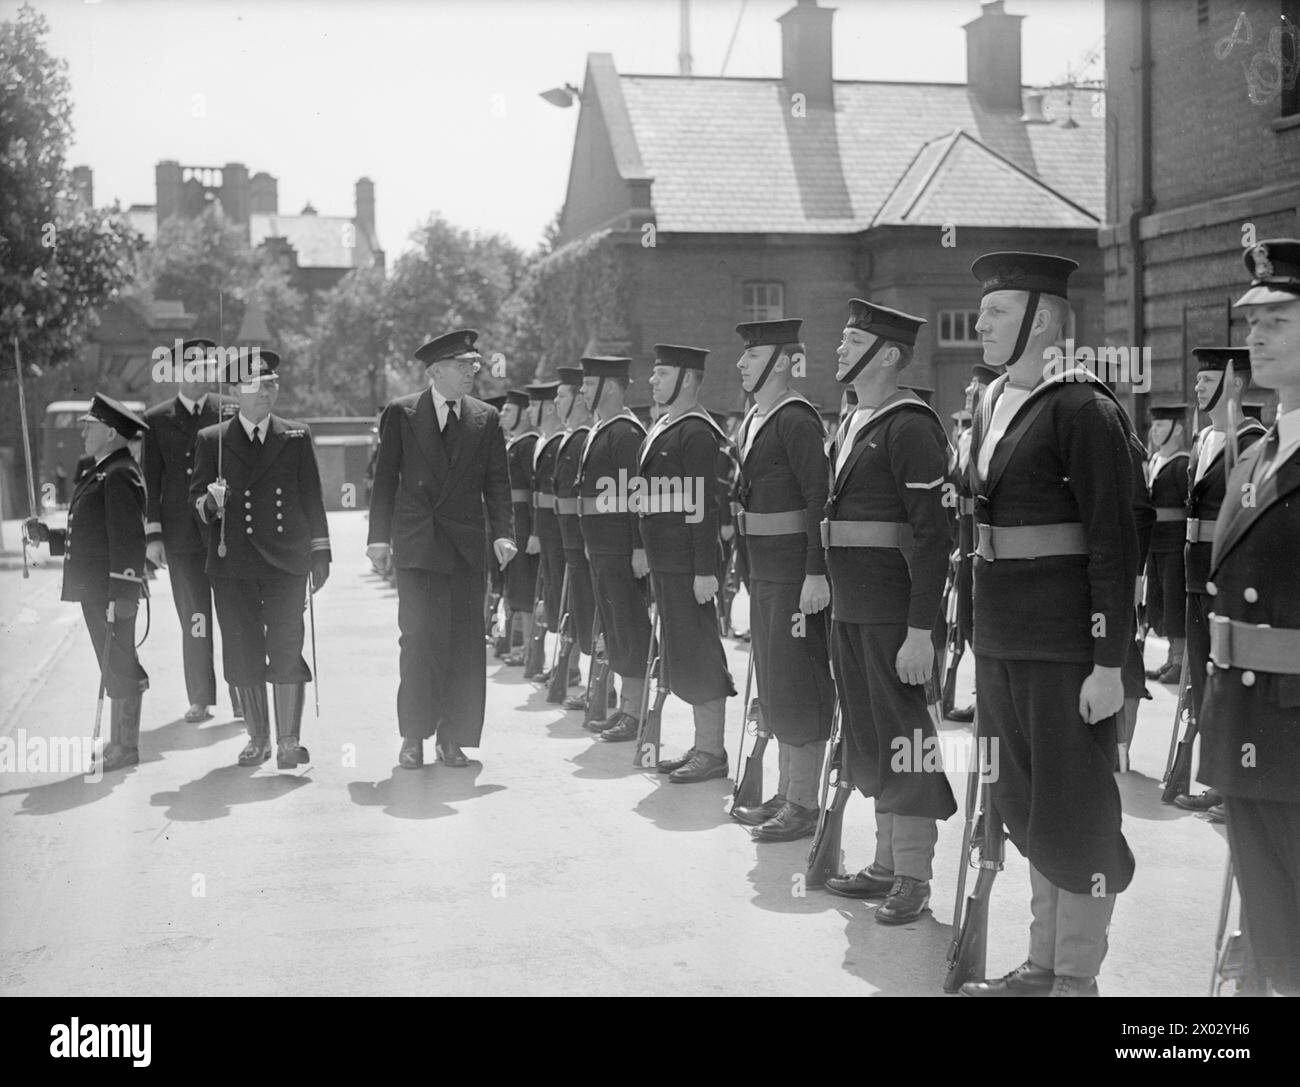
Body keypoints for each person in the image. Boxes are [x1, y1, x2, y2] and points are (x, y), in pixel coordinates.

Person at [957, 252, 1139, 998]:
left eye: (999, 310)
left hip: (1066, 647)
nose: (981, 322)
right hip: (1001, 639)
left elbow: (1114, 541)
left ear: (1043, 321)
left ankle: (1076, 973)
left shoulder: (1083, 408)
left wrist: (1109, 662)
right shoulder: (991, 403)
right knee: (1023, 803)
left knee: (1077, 808)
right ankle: (1042, 961)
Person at [818, 301, 955, 921]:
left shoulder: (911, 426)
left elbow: (933, 536)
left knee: (908, 743)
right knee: (871, 739)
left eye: (852, 341)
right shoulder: (854, 422)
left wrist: (921, 631)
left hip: (896, 616)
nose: (839, 351)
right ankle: (884, 863)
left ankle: (914, 877)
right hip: (853, 611)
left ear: (890, 355)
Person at [1198, 239, 1300, 994]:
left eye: (1280, 317)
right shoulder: (1254, 457)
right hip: (1247, 724)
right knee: (1273, 936)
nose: (1255, 333)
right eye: (1252, 318)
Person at [367, 330, 516, 769]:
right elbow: (385, 479)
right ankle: (414, 734)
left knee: (465, 644)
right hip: (418, 545)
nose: (473, 371)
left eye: (474, 364)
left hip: (467, 548)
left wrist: (503, 533)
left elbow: (498, 482)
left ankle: (453, 738)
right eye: (463, 365)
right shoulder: (401, 412)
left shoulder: (485, 417)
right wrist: (378, 538)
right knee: (417, 640)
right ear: (435, 371)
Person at [190, 349, 331, 770]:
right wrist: (210, 505)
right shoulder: (212, 441)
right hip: (232, 563)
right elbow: (194, 503)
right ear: (235, 391)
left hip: (286, 561)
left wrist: (320, 554)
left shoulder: (295, 436)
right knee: (242, 648)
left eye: (271, 384)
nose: (267, 393)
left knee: (287, 645)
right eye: (257, 386)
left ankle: (289, 741)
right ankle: (258, 738)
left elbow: (312, 498)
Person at [728, 318, 834, 842]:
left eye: (753, 355)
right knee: (774, 685)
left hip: (795, 573)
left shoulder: (797, 419)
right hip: (766, 573)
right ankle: (788, 792)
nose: (742, 364)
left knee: (797, 687)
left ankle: (804, 803)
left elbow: (819, 500)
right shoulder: (757, 418)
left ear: (779, 363)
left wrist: (816, 572)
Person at [26, 394, 151, 772]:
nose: (83, 430)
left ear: (111, 432)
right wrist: (47, 536)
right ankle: (120, 742)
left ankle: (125, 747)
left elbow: (128, 540)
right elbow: (91, 535)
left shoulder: (120, 473)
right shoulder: (101, 471)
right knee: (113, 661)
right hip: (100, 589)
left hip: (112, 591)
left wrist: (124, 592)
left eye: (90, 425)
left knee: (120, 662)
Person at [1173, 347, 1265, 813]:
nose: (1198, 388)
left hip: (1225, 578)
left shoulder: (1251, 443)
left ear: (1236, 384)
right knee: (1204, 682)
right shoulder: (1206, 440)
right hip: (1194, 576)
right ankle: (1218, 781)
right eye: (1198, 380)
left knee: (1229, 683)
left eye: (1208, 380)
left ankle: (1239, 786)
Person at [640, 344, 737, 782]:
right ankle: (702, 745)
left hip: (687, 563)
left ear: (687, 379)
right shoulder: (668, 426)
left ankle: (712, 752)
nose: (653, 381)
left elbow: (703, 506)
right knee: (684, 652)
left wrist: (704, 570)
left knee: (700, 653)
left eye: (661, 373)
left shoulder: (696, 432)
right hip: (668, 559)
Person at [142, 337, 243, 723]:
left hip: (225, 531)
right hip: (182, 535)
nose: (204, 375)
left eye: (209, 367)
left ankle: (241, 693)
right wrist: (153, 537)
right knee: (195, 618)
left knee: (235, 615)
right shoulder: (156, 420)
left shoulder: (229, 410)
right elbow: (151, 480)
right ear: (178, 373)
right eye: (195, 368)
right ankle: (200, 698)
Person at [577, 356, 651, 740]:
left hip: (622, 548)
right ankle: (626, 708)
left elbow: (637, 493)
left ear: (608, 386)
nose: (583, 391)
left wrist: (639, 547)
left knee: (628, 627)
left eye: (589, 385)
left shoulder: (625, 433)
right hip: (603, 545)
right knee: (613, 626)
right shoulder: (603, 430)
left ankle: (635, 713)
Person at [551, 367, 598, 711]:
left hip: (583, 538)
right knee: (579, 609)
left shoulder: (584, 436)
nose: (556, 400)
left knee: (591, 610)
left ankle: (601, 684)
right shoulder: (573, 436)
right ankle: (590, 678)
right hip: (568, 535)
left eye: (563, 394)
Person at [1143, 404, 1190, 683]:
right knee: (1159, 599)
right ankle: (1171, 657)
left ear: (1177, 429)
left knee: (1174, 600)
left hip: (1174, 542)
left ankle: (1179, 660)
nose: (1154, 430)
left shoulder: (1182, 464)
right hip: (1156, 542)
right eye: (1154, 425)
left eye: (1161, 425)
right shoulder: (1154, 460)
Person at [527, 381, 569, 683]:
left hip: (558, 531)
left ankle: (572, 667)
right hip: (548, 530)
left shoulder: (558, 443)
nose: (531, 410)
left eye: (534, 404)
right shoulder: (546, 441)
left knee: (565, 601)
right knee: (553, 597)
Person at [502, 388, 541, 668]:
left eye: (509, 410)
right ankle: (519, 644)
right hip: (513, 524)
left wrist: (535, 531)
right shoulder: (515, 444)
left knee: (527, 591)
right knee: (515, 589)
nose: (503, 414)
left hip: (526, 526)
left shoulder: (529, 446)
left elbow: (535, 492)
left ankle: (530, 649)